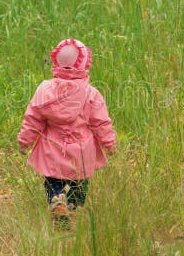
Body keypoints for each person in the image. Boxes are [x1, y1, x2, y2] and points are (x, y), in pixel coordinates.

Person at [17, 39, 116, 222]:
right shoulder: (91, 94)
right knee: (80, 182)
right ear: (85, 64)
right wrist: (109, 143)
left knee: (53, 180)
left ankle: (57, 200)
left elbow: (33, 119)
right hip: (81, 151)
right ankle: (73, 207)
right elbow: (101, 123)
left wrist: (25, 141)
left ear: (57, 63)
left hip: (52, 148)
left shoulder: (45, 90)